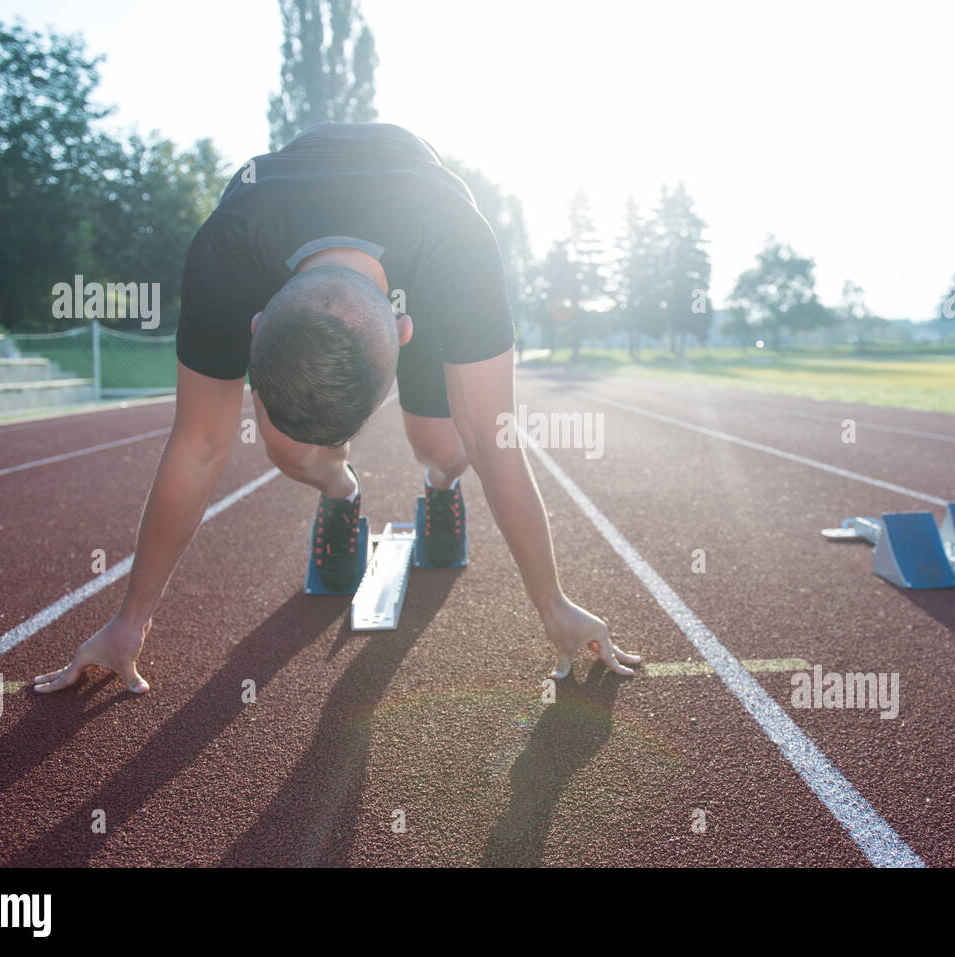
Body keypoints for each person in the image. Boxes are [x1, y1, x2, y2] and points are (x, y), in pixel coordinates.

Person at [33, 122, 639, 695]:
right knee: (288, 447)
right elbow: (198, 446)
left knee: (449, 445)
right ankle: (342, 493)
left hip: (427, 265)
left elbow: (492, 436)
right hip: (308, 264)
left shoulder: (461, 246)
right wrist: (128, 622)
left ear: (407, 334)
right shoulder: (223, 254)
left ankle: (438, 483)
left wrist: (553, 603)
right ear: (257, 321)